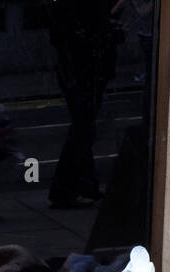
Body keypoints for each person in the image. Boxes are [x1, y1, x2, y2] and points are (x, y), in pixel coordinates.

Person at [44, 0, 119, 209]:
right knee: (83, 127)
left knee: (84, 126)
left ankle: (83, 184)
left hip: (82, 64)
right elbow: (76, 27)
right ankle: (65, 188)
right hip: (82, 65)